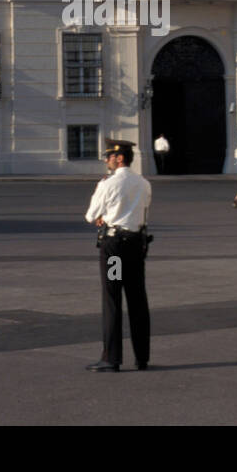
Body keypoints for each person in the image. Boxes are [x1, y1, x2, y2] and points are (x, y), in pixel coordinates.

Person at [83, 139, 152, 373]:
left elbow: (91, 215)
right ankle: (142, 357)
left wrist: (104, 214)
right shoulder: (144, 183)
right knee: (137, 299)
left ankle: (111, 359)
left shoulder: (108, 184)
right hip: (136, 246)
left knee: (112, 298)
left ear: (119, 158)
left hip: (114, 249)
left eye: (109, 156)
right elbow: (142, 211)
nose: (106, 160)